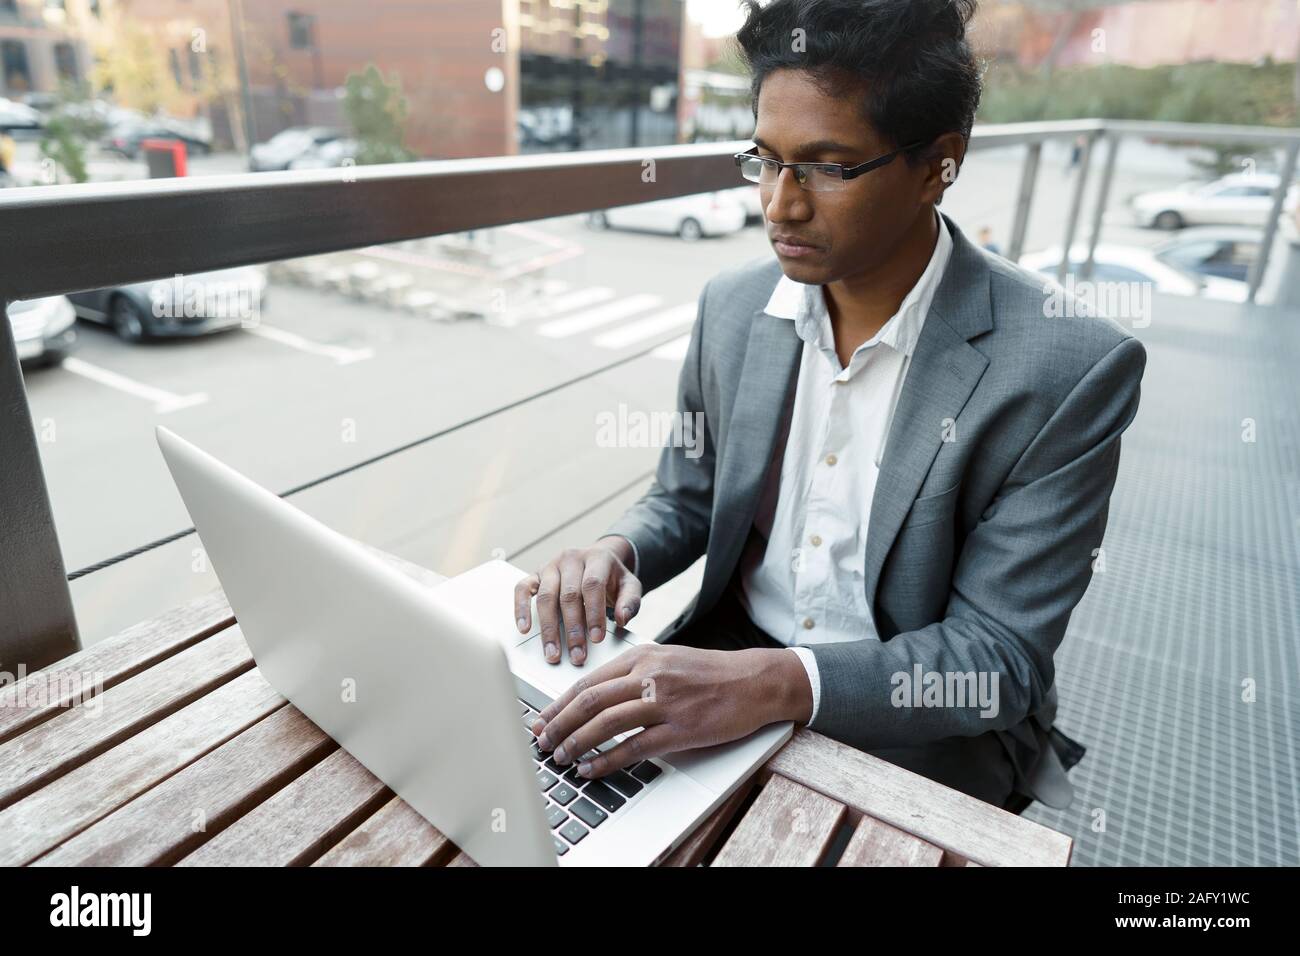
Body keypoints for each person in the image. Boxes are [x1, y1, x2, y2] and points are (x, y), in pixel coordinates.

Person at [512, 0, 1146, 812]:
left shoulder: (1066, 369)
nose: (780, 205)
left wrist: (780, 684)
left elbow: (997, 662)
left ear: (937, 166)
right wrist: (617, 552)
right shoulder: (734, 307)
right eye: (766, 160)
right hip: (723, 660)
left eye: (827, 167)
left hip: (913, 730)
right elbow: (689, 494)